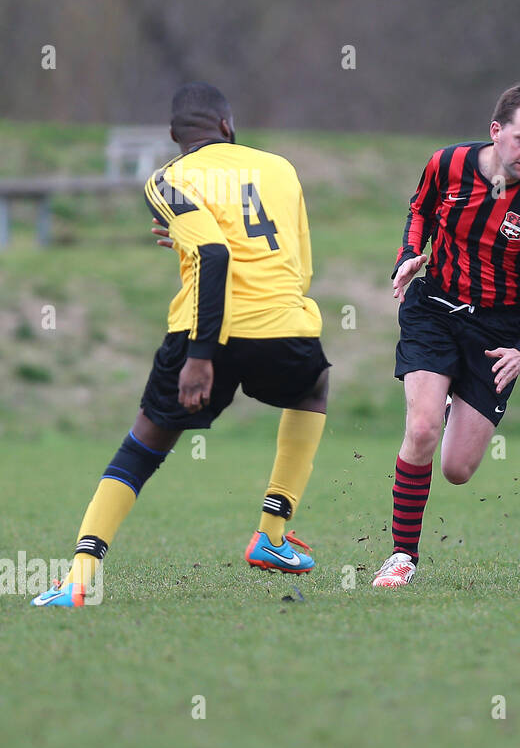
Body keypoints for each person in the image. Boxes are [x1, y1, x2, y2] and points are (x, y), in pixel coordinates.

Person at [32, 82, 331, 606]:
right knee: (313, 388)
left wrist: (201, 357)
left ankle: (79, 579)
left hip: (204, 332)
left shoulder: (167, 179)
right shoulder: (282, 168)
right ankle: (272, 536)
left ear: (174, 136)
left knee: (142, 448)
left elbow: (213, 253)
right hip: (284, 325)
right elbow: (297, 263)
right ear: (227, 125)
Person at [372, 83, 520, 588]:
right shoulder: (447, 164)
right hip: (434, 309)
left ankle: (448, 400)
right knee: (420, 430)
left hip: (499, 331)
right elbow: (419, 209)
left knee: (458, 469)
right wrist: (409, 256)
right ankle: (402, 557)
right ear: (496, 131)